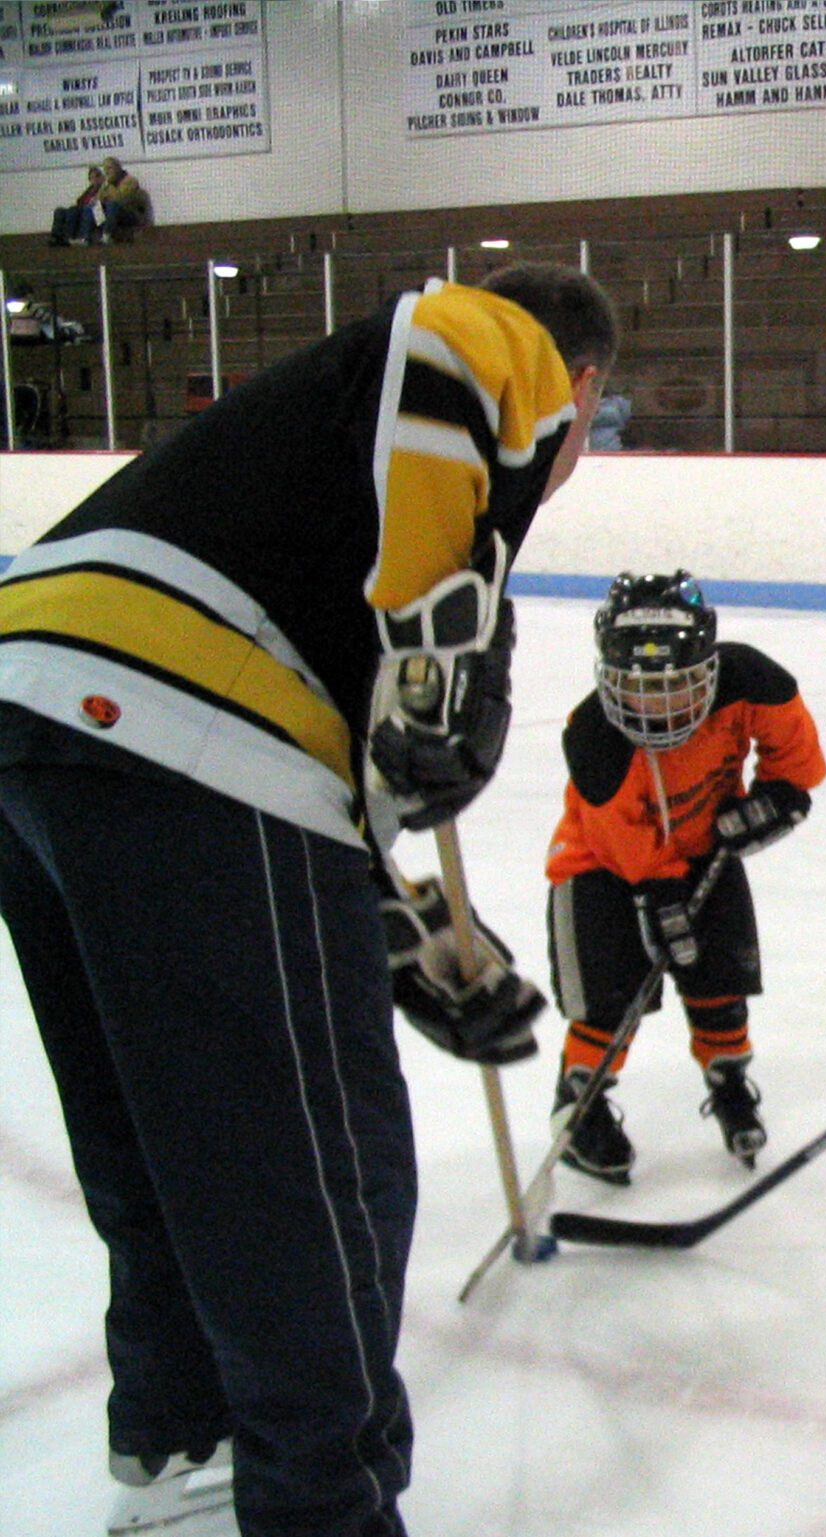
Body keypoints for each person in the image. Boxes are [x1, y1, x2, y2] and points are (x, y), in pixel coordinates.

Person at [0, 261, 615, 1536]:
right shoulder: (500, 361)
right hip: (174, 714)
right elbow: (451, 337)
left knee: (161, 1137)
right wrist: (448, 659)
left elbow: (307, 816)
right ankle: (322, 1511)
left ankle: (183, 1433)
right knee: (320, 1175)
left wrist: (421, 944)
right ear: (587, 387)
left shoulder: (312, 495)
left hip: (38, 719)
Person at [543, 571, 826, 1181]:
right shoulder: (594, 737)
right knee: (608, 995)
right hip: (602, 867)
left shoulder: (753, 682)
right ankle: (579, 1101)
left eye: (674, 684)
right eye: (638, 687)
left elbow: (797, 762)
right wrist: (660, 893)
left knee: (719, 976)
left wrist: (779, 795)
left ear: (708, 668)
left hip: (702, 853)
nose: (657, 704)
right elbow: (628, 847)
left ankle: (728, 1083)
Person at [93, 156, 151, 243]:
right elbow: (97, 200)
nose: (107, 172)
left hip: (131, 214)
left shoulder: (130, 181)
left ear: (118, 168)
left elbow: (122, 199)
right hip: (115, 215)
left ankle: (107, 233)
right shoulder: (107, 185)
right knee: (88, 209)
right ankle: (81, 236)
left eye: (109, 168)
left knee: (112, 205)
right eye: (105, 169)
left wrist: (105, 197)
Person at [48, 163, 104, 246]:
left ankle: (68, 237)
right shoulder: (89, 190)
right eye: (91, 178)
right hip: (81, 208)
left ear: (100, 177)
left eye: (96, 177)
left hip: (91, 211)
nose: (93, 180)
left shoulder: (103, 188)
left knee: (73, 210)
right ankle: (56, 236)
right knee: (59, 210)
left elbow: (99, 202)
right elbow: (79, 201)